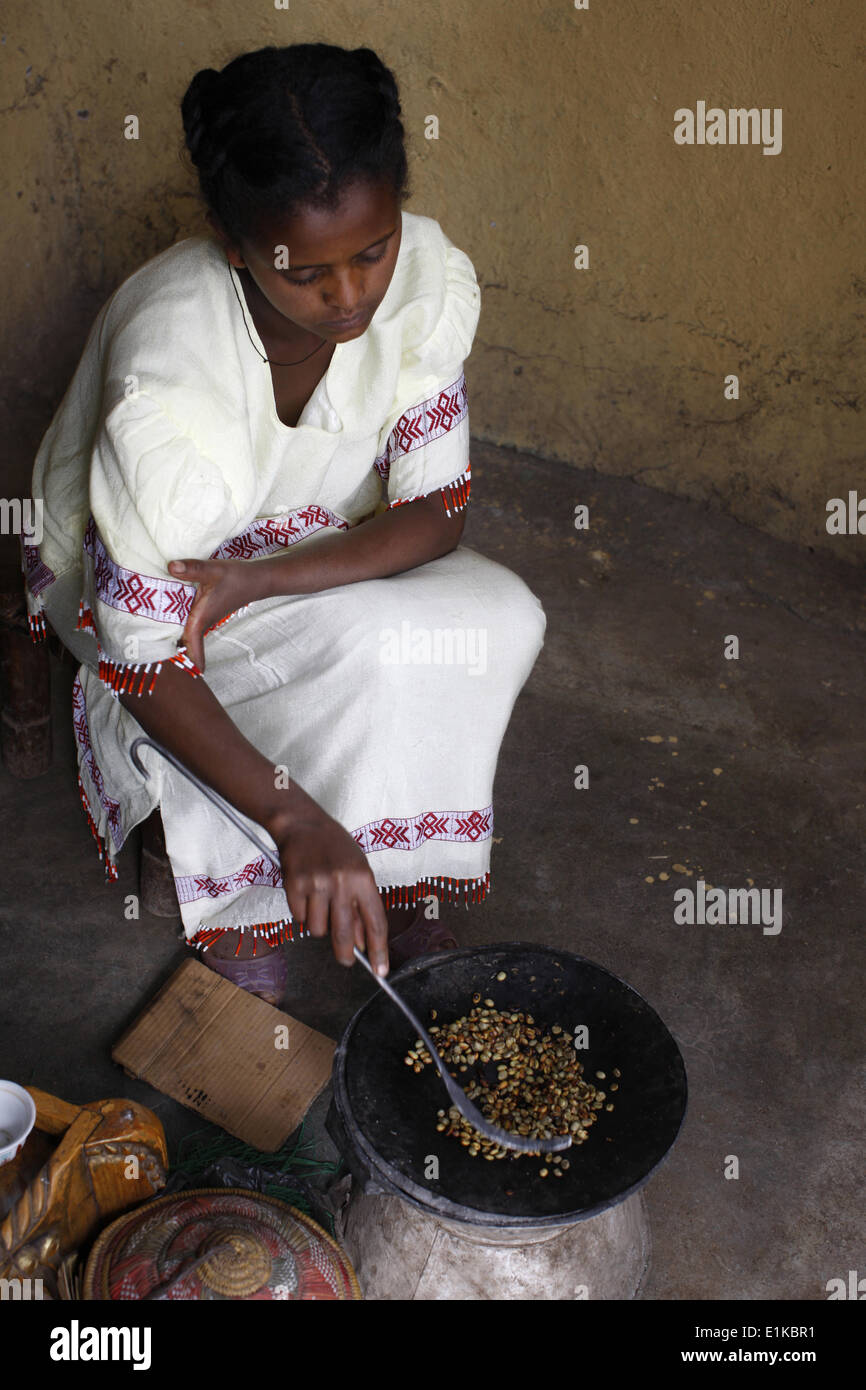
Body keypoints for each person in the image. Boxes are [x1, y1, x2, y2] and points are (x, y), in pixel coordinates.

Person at [24, 43, 547, 1005]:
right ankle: (241, 900)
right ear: (234, 242)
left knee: (494, 618)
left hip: (284, 558)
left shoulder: (423, 280)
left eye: (371, 252)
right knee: (332, 653)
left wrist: (264, 579)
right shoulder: (172, 384)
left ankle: (399, 868)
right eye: (306, 272)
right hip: (158, 593)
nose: (350, 297)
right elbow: (140, 657)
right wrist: (293, 818)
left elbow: (435, 512)